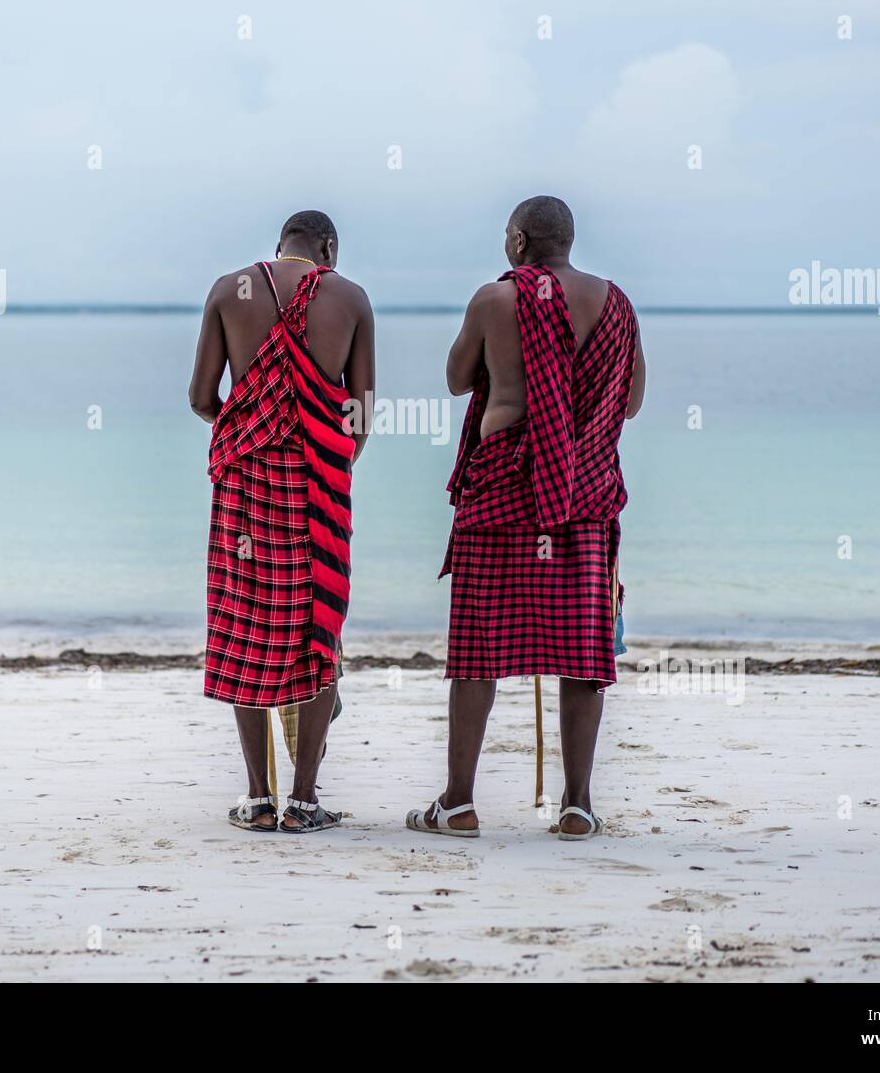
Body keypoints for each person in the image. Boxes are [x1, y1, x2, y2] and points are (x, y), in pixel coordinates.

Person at [408, 196, 645, 840]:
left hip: (503, 491)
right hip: (585, 491)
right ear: (569, 240)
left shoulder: (496, 298)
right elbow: (632, 401)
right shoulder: (617, 305)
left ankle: (457, 804)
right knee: (582, 654)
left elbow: (457, 378)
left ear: (517, 240)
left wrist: (510, 369)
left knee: (476, 650)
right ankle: (577, 805)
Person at [189, 210, 374, 833]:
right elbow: (361, 412)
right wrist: (322, 452)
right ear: (329, 248)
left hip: (244, 483)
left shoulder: (228, 289)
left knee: (246, 621)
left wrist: (246, 424)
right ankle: (304, 801)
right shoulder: (350, 297)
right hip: (318, 485)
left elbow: (199, 398)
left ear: (277, 248)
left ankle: (257, 797)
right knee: (314, 621)